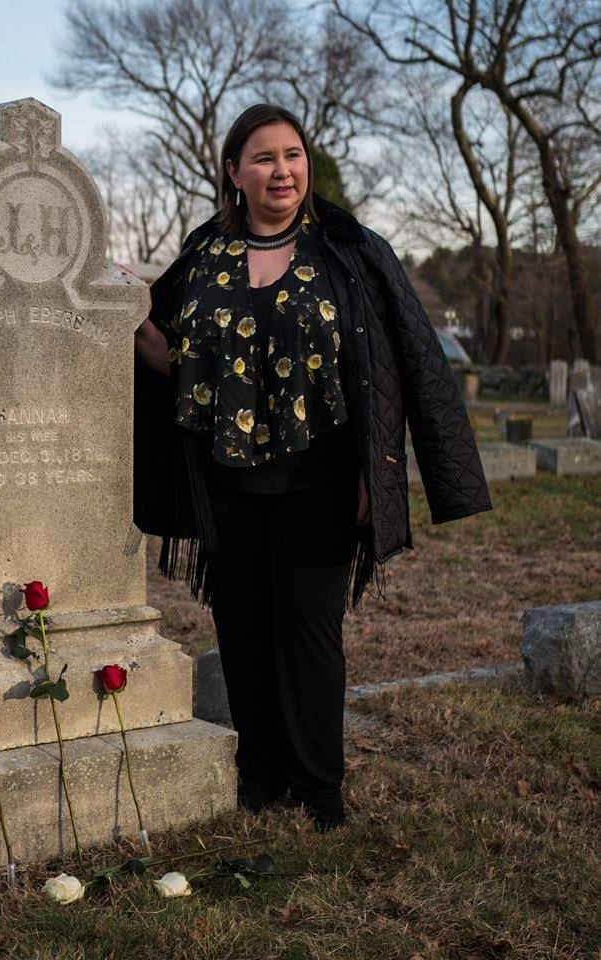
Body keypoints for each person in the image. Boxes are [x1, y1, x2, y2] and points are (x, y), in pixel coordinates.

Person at [132, 103, 492, 831]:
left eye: (292, 156)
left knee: (307, 632)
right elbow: (173, 359)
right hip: (225, 481)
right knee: (240, 628)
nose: (281, 171)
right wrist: (117, 311)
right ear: (233, 172)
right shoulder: (205, 256)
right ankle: (260, 775)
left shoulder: (348, 252)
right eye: (262, 158)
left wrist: (378, 471)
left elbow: (404, 359)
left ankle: (319, 787)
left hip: (319, 480)